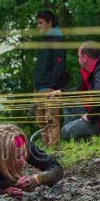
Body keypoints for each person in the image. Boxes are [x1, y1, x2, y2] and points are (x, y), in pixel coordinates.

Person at [33, 10, 69, 146]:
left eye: (41, 23)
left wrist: (53, 85)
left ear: (50, 23)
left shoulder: (58, 39)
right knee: (40, 120)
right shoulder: (45, 40)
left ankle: (53, 148)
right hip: (39, 86)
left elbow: (59, 64)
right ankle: (45, 146)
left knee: (52, 119)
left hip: (50, 87)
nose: (39, 26)